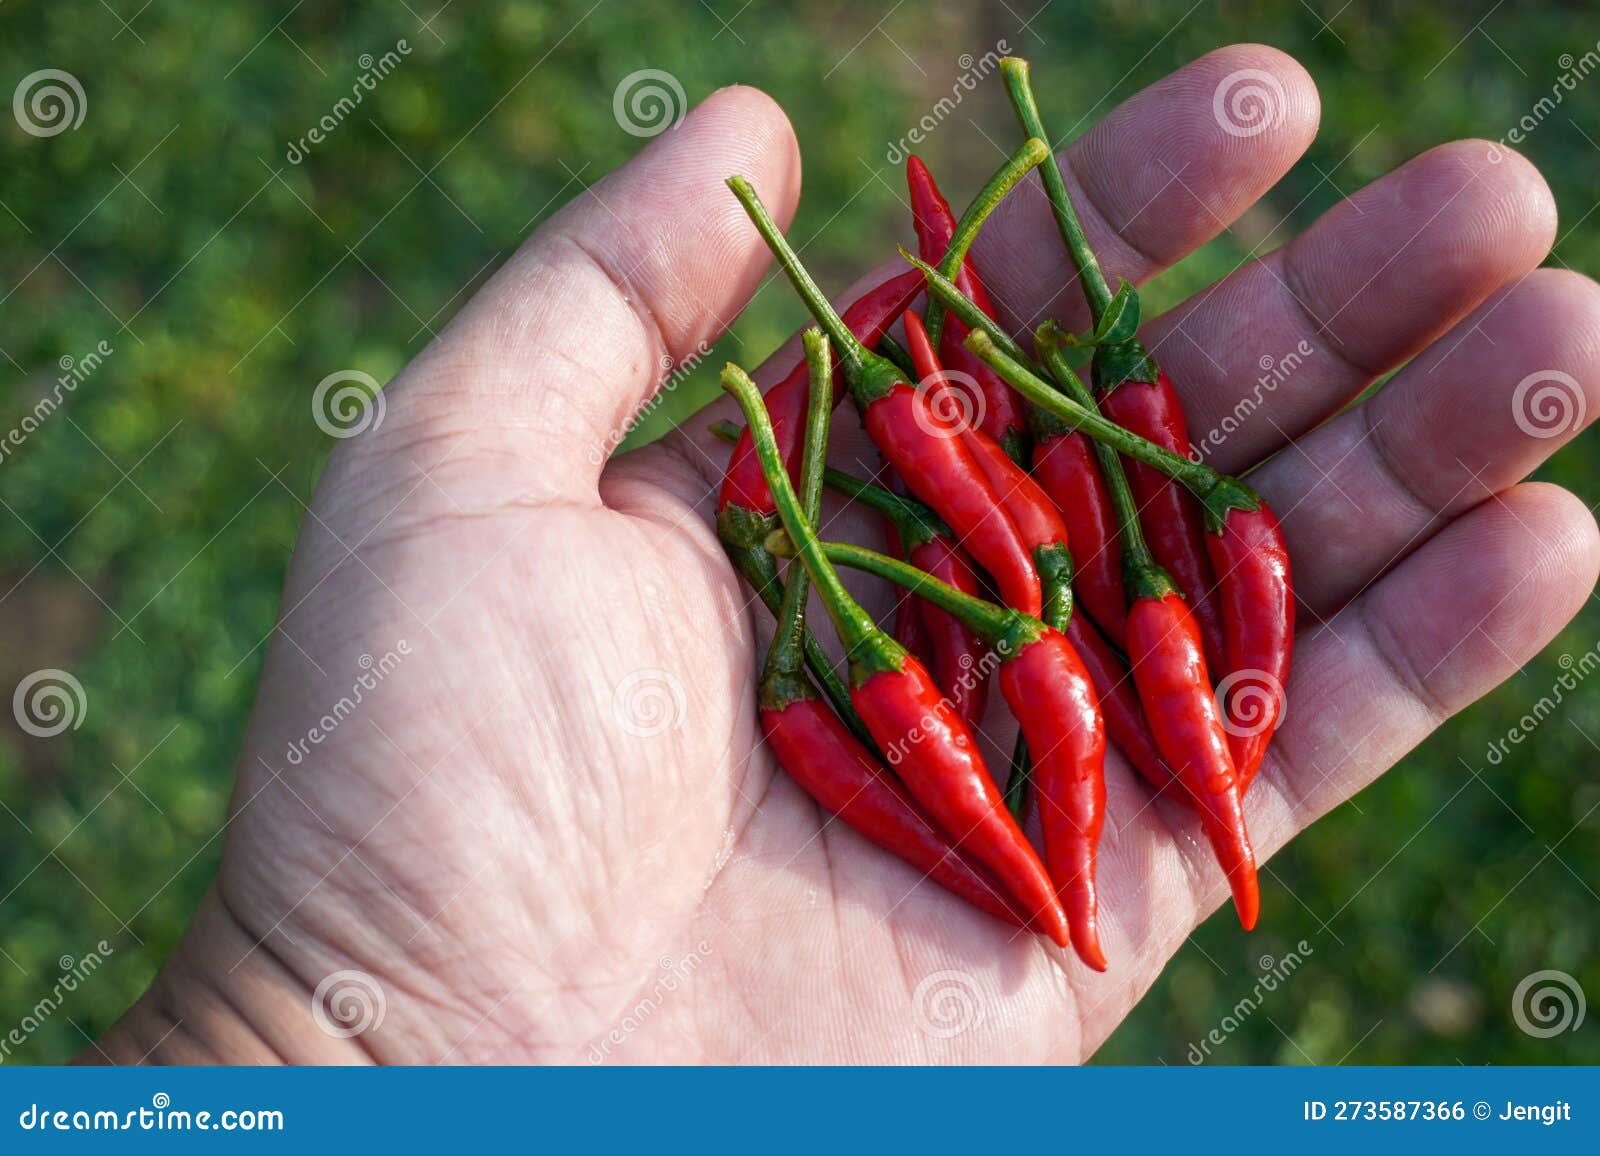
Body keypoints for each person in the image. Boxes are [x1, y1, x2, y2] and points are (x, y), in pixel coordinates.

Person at [94, 45, 1599, 1064]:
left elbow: (1048, 603)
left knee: (1078, 606)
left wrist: (314, 1034)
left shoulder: (1066, 512)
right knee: (1059, 626)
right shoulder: (964, 588)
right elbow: (1031, 615)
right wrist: (338, 1021)